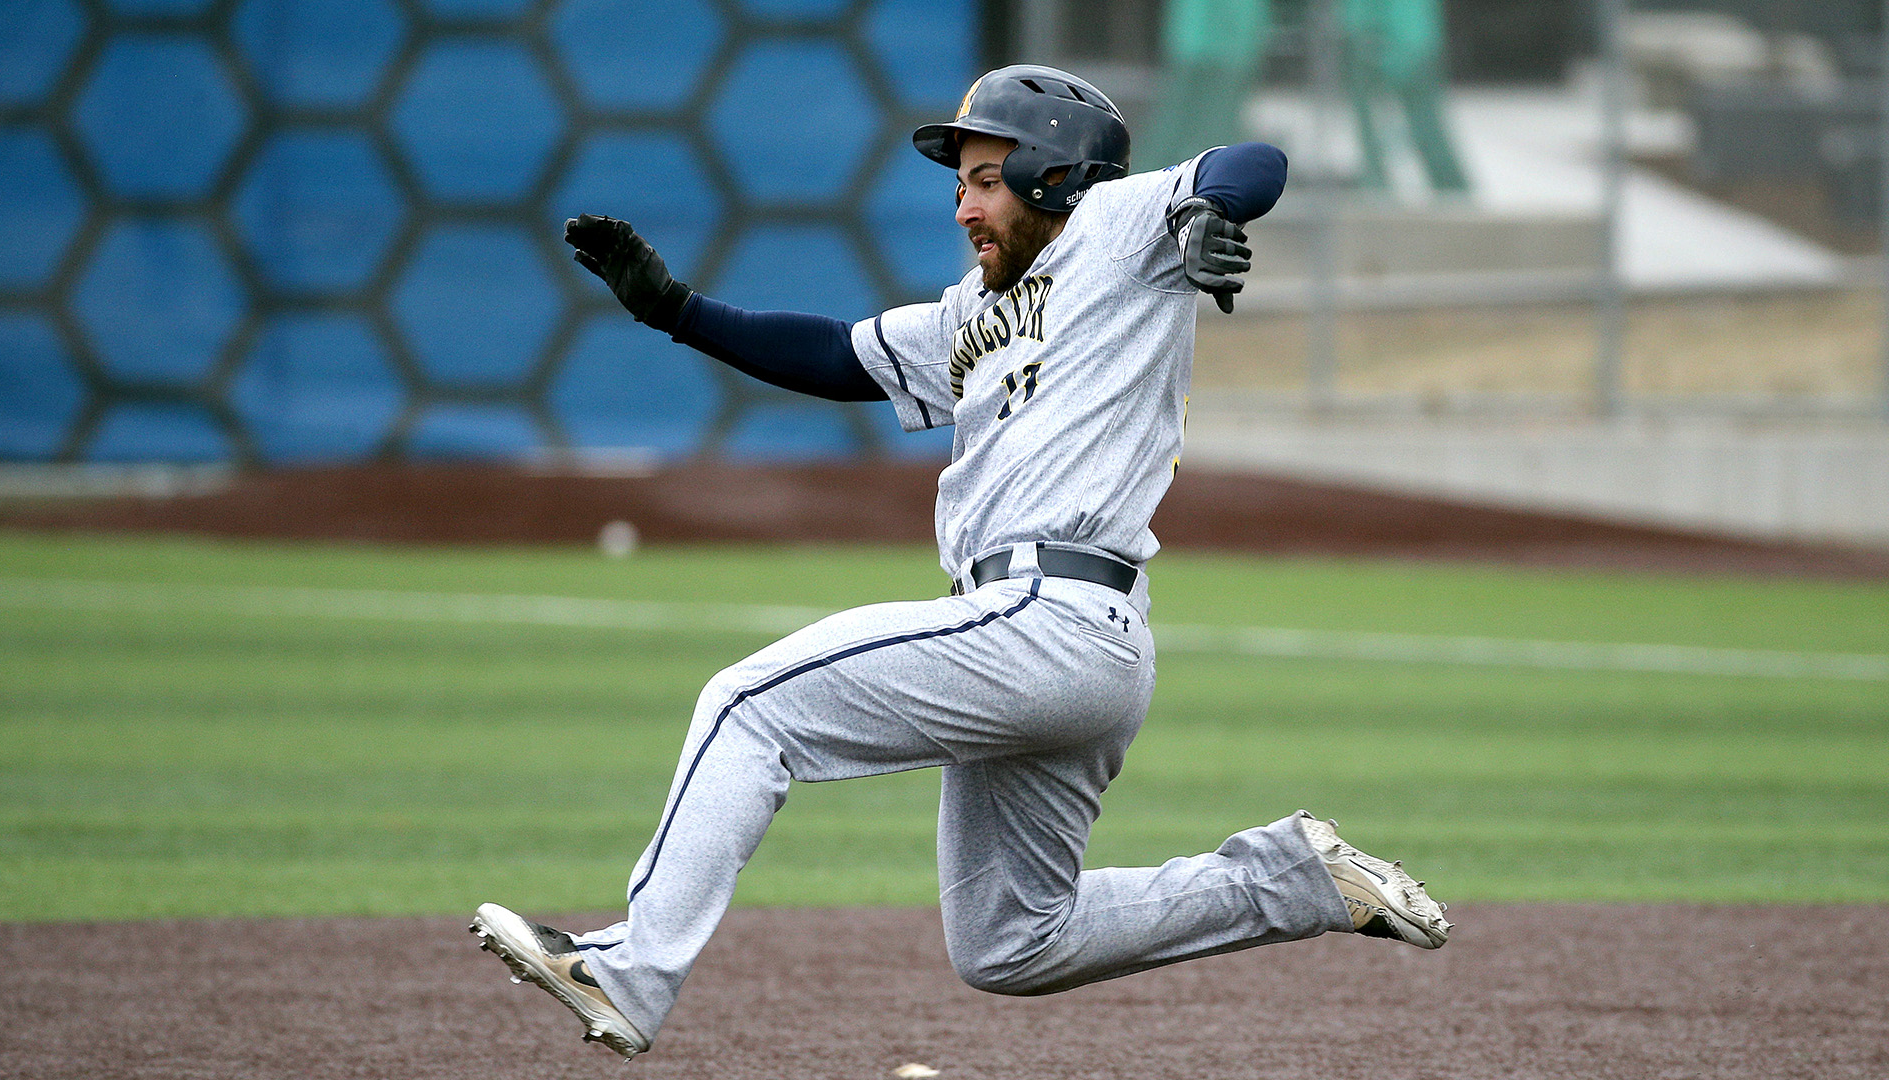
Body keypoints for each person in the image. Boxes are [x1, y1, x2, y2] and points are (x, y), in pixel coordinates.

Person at [469, 64, 1450, 1061]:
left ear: (1054, 174)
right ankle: (1291, 880)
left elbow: (1255, 162)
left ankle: (629, 968)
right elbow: (838, 355)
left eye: (985, 178)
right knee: (1012, 942)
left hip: (1048, 613)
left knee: (748, 706)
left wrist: (1204, 211)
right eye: (960, 184)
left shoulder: (1116, 228)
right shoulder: (973, 310)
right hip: (1069, 644)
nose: (963, 205)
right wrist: (675, 309)